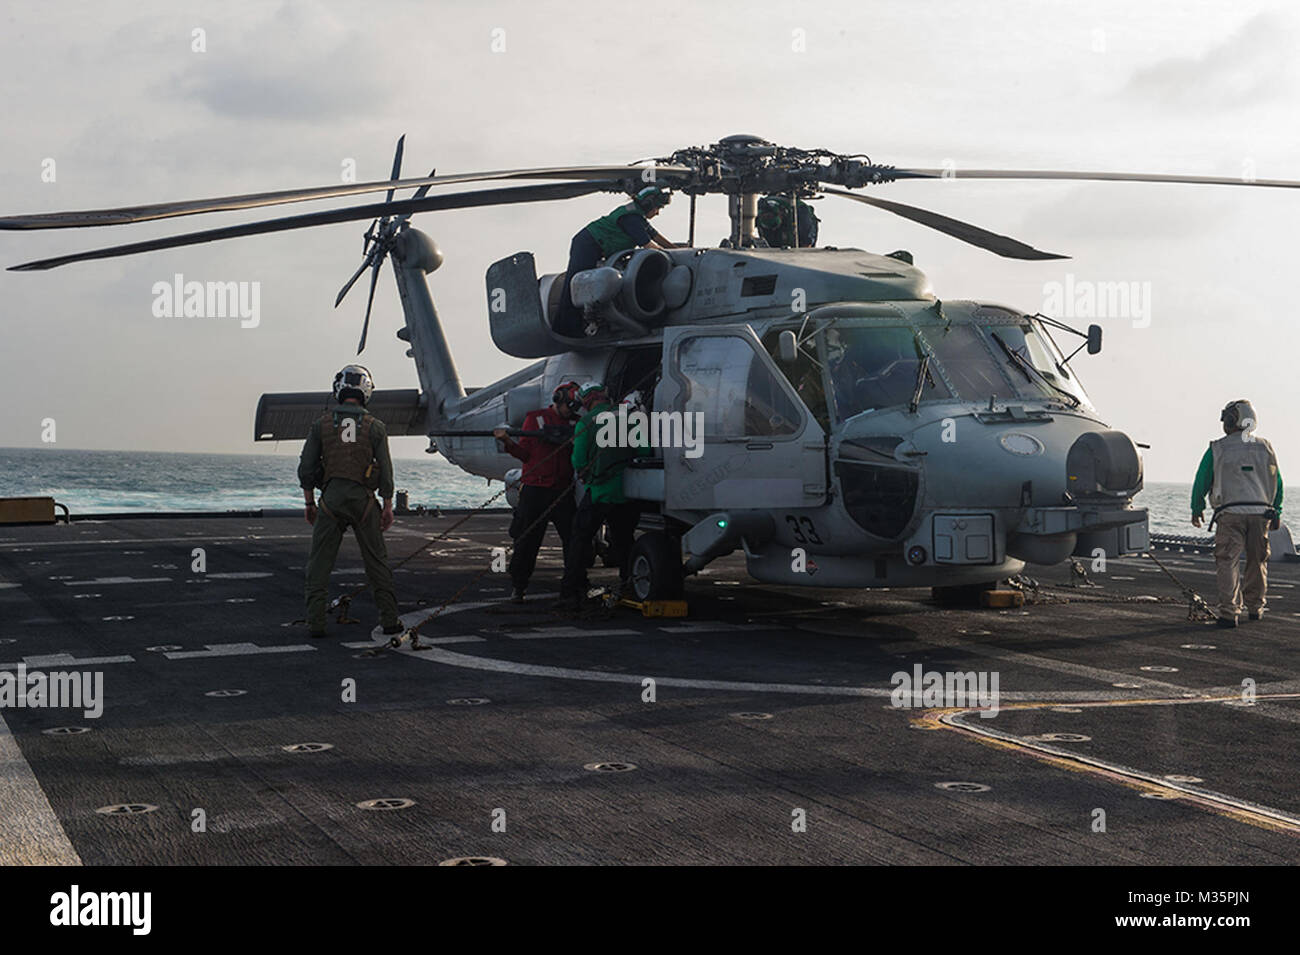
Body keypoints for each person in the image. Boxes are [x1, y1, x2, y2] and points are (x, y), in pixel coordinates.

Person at [298, 364, 403, 640]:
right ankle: (390, 620)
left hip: (331, 501)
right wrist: (389, 505)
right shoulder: (376, 427)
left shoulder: (321, 425)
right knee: (376, 563)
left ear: (339, 391)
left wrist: (309, 503)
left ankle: (316, 623)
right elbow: (386, 471)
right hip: (364, 502)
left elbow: (307, 468)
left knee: (319, 564)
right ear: (366, 392)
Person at [1190, 399, 1284, 628]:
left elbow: (1202, 479)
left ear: (1233, 420)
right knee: (1257, 562)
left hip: (1229, 513)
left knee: (1227, 561)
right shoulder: (1266, 447)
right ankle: (1255, 608)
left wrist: (1197, 508)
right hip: (1261, 513)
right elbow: (1277, 482)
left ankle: (1229, 612)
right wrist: (1277, 510)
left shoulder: (1218, 448)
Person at [557, 382, 644, 609]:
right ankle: (630, 584)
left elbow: (578, 460)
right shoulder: (631, 417)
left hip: (599, 492)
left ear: (586, 401)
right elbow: (643, 451)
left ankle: (571, 590)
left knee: (579, 538)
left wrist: (586, 475)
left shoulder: (585, 423)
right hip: (628, 493)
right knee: (625, 540)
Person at [493, 382, 580, 602]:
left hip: (562, 489)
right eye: (569, 405)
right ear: (558, 400)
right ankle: (519, 586)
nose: (571, 410)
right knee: (526, 540)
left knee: (574, 540)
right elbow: (524, 454)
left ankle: (574, 584)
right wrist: (506, 441)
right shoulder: (536, 419)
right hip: (535, 490)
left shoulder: (576, 424)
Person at [553, 185, 678, 337]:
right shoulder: (631, 219)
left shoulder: (637, 217)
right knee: (576, 285)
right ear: (648, 205)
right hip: (588, 244)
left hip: (597, 246)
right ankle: (565, 328)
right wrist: (669, 255)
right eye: (657, 208)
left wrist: (676, 249)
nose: (657, 213)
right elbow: (649, 245)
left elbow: (656, 236)